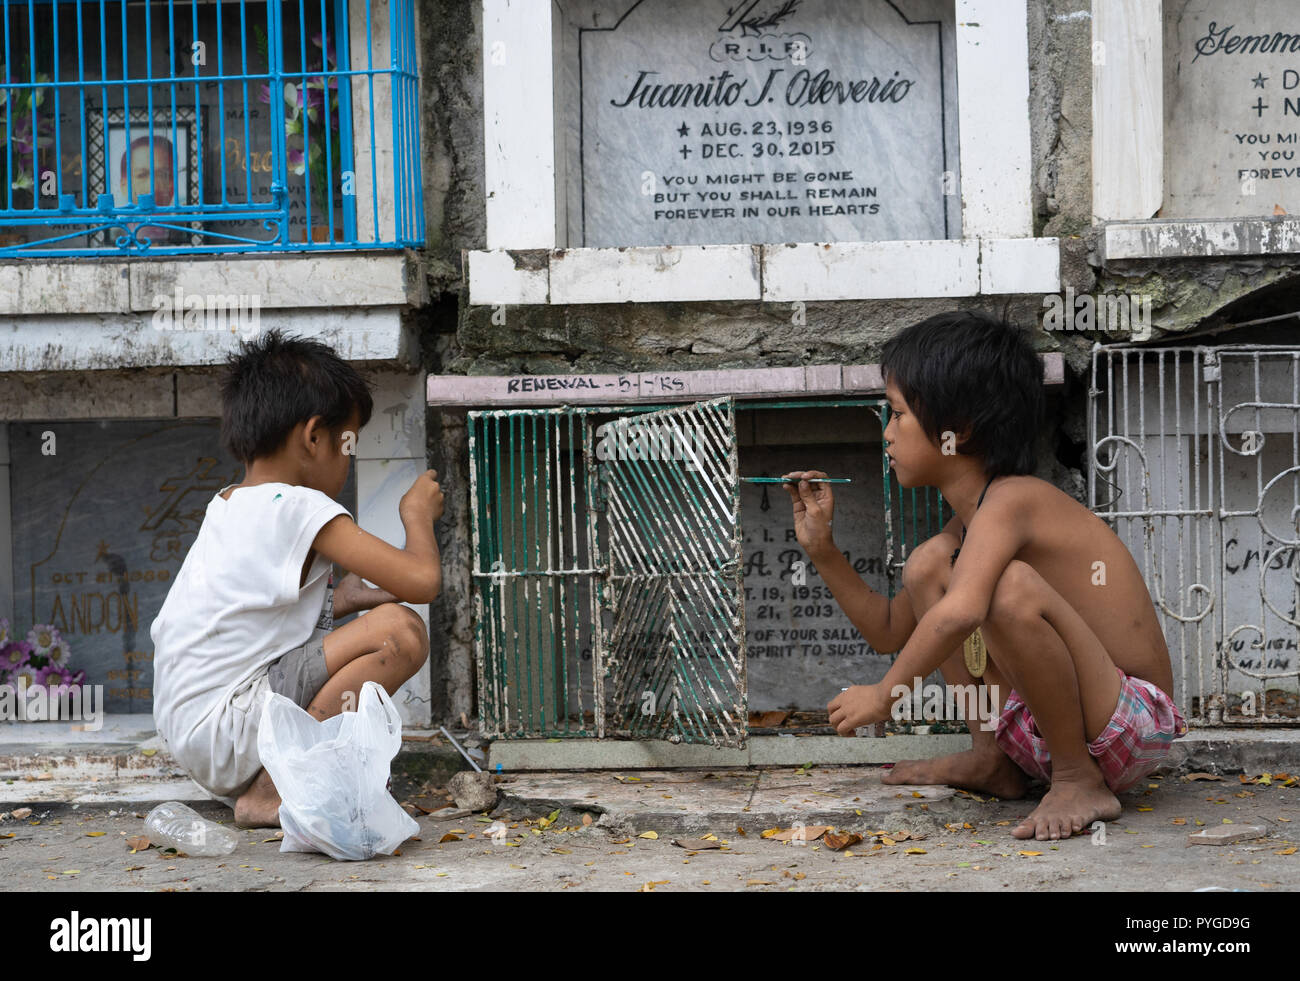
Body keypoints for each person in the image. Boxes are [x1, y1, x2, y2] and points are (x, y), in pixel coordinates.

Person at [783, 311, 1186, 841]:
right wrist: (823, 550)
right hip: (1051, 728)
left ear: (958, 432)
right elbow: (887, 629)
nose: (887, 434)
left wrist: (886, 694)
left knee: (1008, 588)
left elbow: (964, 610)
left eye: (898, 415)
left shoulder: (1015, 500)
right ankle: (992, 759)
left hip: (1131, 724)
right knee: (930, 563)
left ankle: (1077, 780)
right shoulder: (966, 523)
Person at [151, 330, 443, 828]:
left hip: (198, 733)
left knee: (372, 620)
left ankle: (270, 779)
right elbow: (422, 582)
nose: (348, 461)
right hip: (231, 721)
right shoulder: (299, 506)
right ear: (313, 437)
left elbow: (265, 616)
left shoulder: (231, 502)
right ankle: (274, 791)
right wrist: (415, 514)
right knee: (400, 631)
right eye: (347, 443)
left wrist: (345, 598)